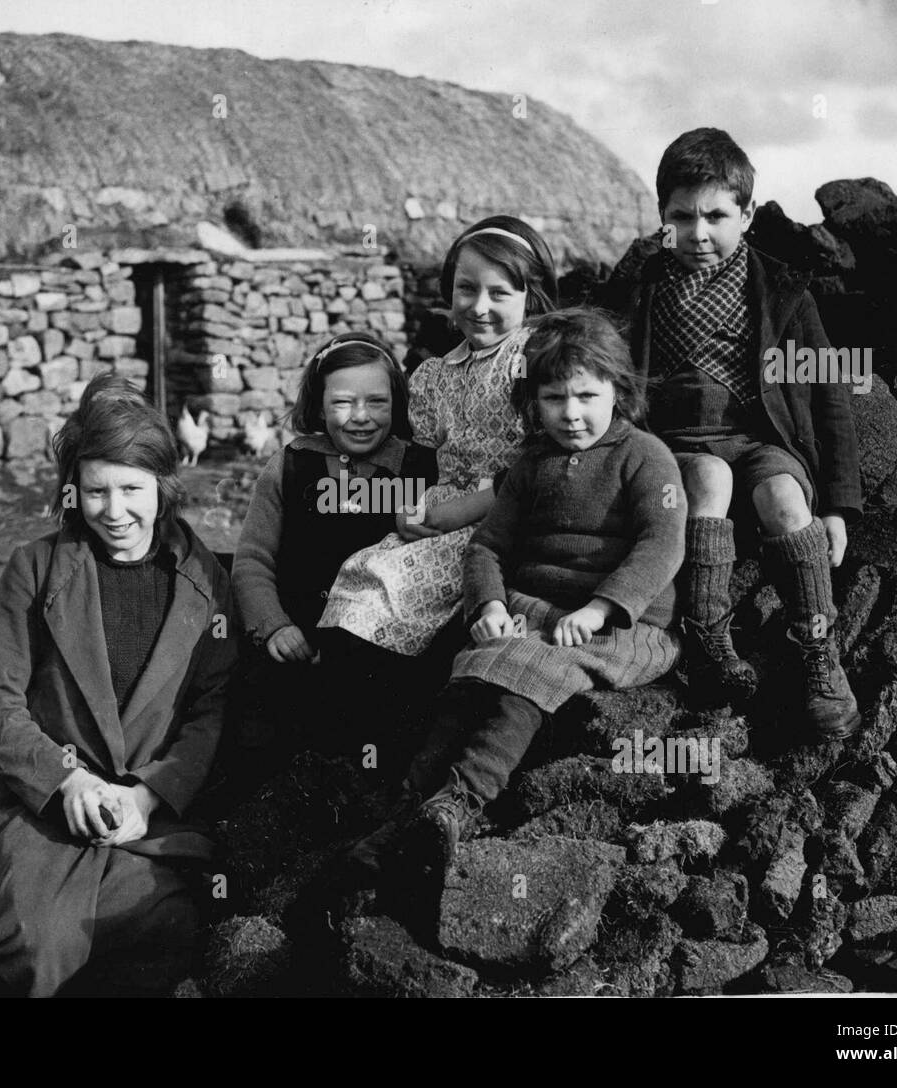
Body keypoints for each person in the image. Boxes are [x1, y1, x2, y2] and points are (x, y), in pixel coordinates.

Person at [348, 308, 686, 876]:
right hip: (535, 611)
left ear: (618, 392)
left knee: (522, 679)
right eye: (554, 398)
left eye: (586, 396)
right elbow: (487, 546)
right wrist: (490, 604)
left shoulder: (645, 457)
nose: (571, 414)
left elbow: (662, 543)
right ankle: (405, 812)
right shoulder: (532, 464)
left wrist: (601, 607)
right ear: (534, 401)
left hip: (624, 626)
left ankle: (462, 803)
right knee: (470, 678)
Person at [0, 373, 236, 997]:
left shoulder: (206, 579)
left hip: (147, 820)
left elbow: (212, 709)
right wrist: (67, 782)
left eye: (132, 490)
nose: (114, 513)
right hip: (40, 806)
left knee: (165, 926)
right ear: (73, 491)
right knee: (38, 943)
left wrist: (148, 796)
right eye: (95, 492)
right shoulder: (33, 569)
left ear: (164, 488)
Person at [616, 126, 862, 738]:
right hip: (675, 443)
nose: (699, 234)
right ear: (661, 216)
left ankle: (818, 653)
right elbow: (598, 365)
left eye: (717, 216)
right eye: (682, 217)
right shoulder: (641, 286)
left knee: (782, 499)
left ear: (748, 214)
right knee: (707, 478)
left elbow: (829, 394)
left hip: (761, 438)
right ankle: (708, 643)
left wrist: (836, 505)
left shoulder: (783, 294)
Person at [316, 216, 559, 695]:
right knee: (357, 570)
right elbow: (426, 462)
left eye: (499, 293)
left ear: (530, 296)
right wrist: (414, 507)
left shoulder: (537, 361)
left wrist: (454, 513)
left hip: (504, 518)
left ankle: (377, 724)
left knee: (384, 582)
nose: (479, 307)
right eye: (466, 289)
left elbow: (539, 467)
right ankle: (347, 728)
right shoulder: (435, 374)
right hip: (443, 511)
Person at [228, 332, 437, 768]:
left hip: (383, 653)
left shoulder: (421, 468)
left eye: (377, 402)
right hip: (295, 645)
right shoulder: (291, 464)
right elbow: (252, 560)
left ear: (398, 403)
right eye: (342, 402)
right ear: (319, 404)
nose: (360, 417)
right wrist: (274, 627)